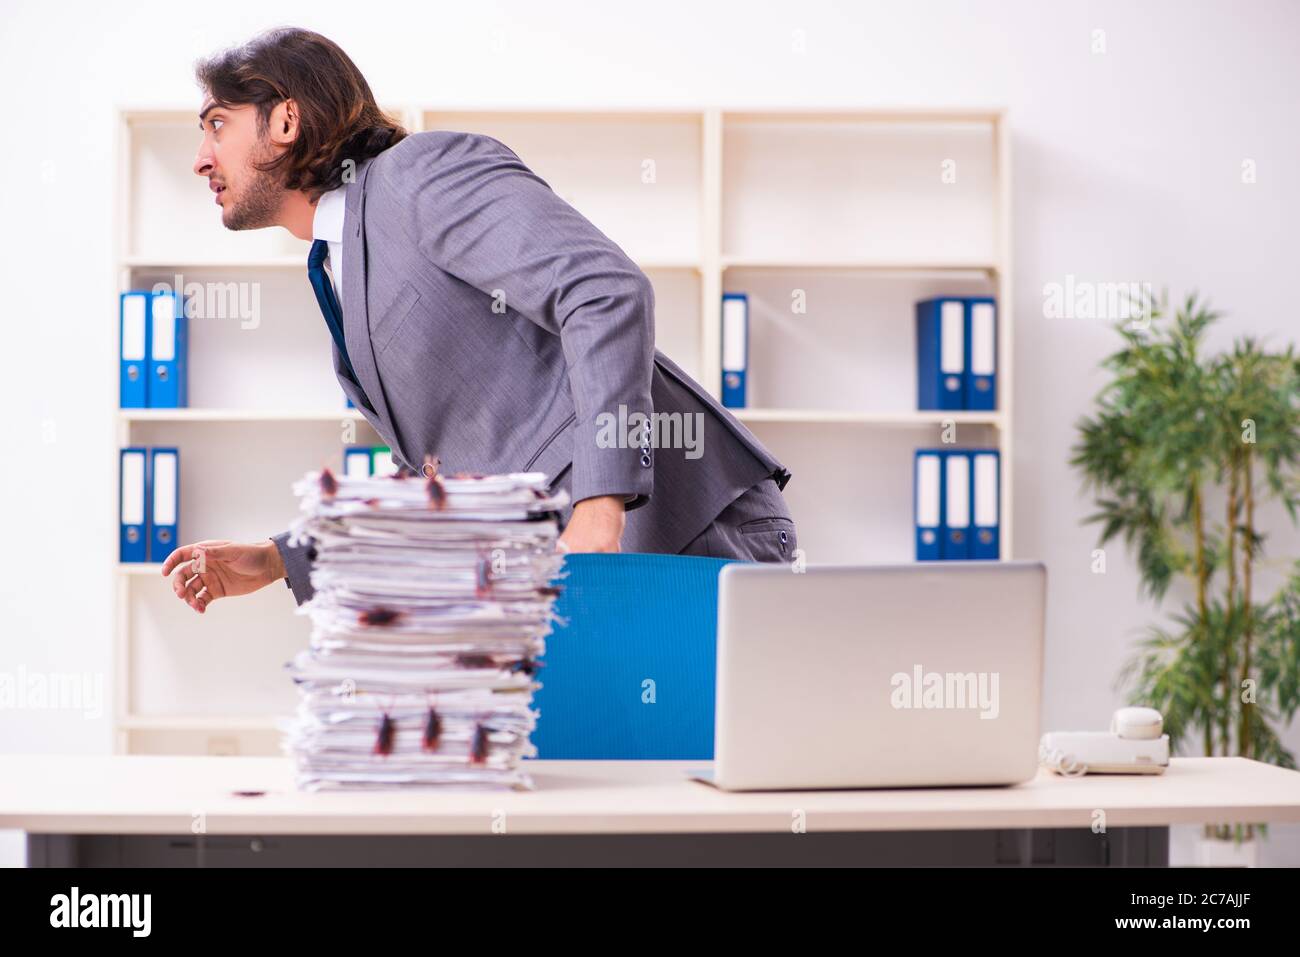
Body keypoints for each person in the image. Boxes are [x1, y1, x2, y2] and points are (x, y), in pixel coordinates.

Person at [162, 27, 796, 614]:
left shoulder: (417, 175)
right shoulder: (338, 263)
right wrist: (284, 558)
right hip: (578, 567)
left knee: (722, 738)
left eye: (217, 124)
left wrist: (601, 508)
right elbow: (447, 475)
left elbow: (605, 291)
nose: (200, 158)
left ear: (286, 121)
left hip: (674, 535)